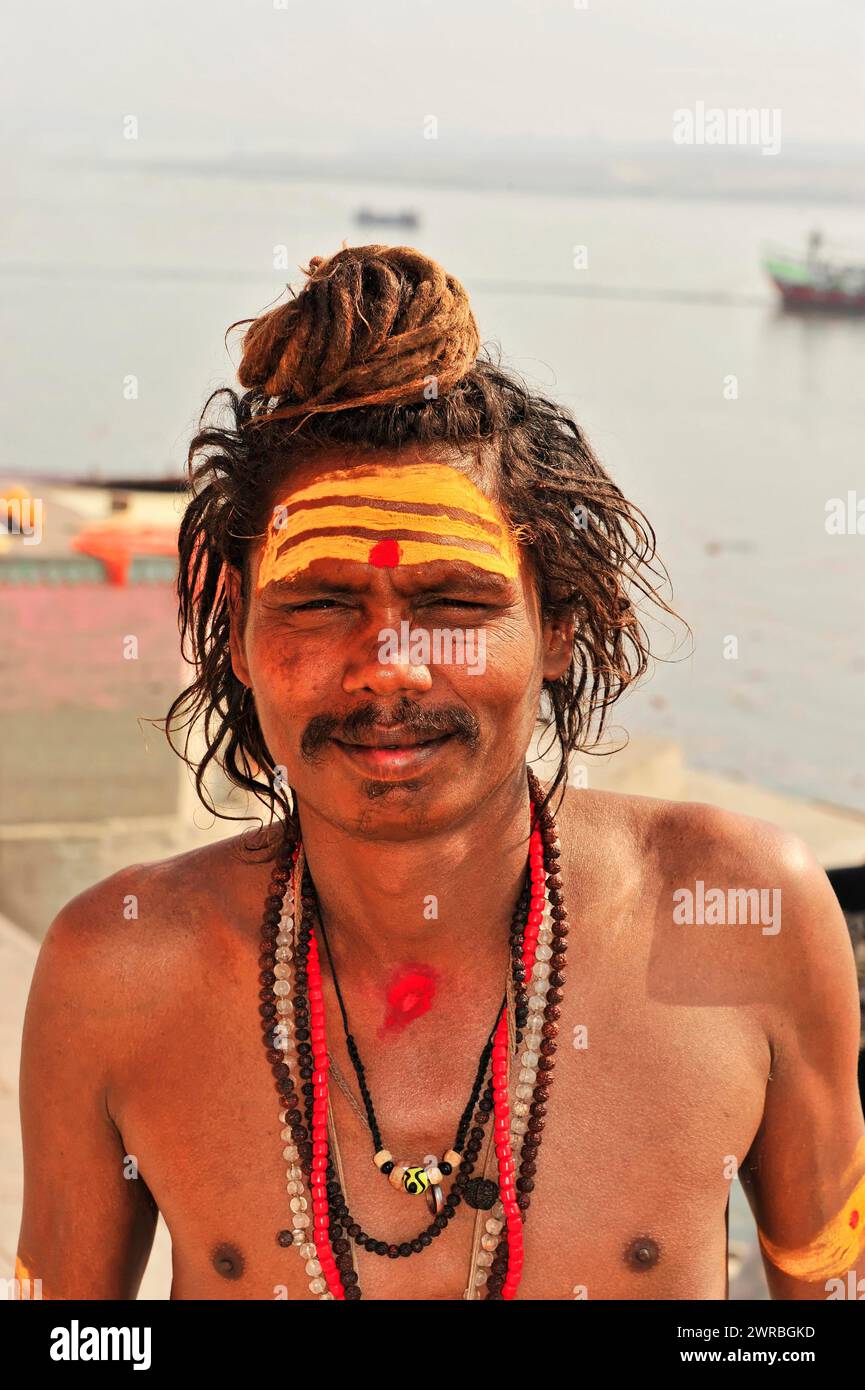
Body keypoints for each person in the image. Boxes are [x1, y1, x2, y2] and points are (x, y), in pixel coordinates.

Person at [16, 245, 865, 1301]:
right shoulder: (117, 971)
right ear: (234, 635)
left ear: (555, 625)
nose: (388, 669)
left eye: (456, 605)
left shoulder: (739, 916)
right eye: (322, 604)